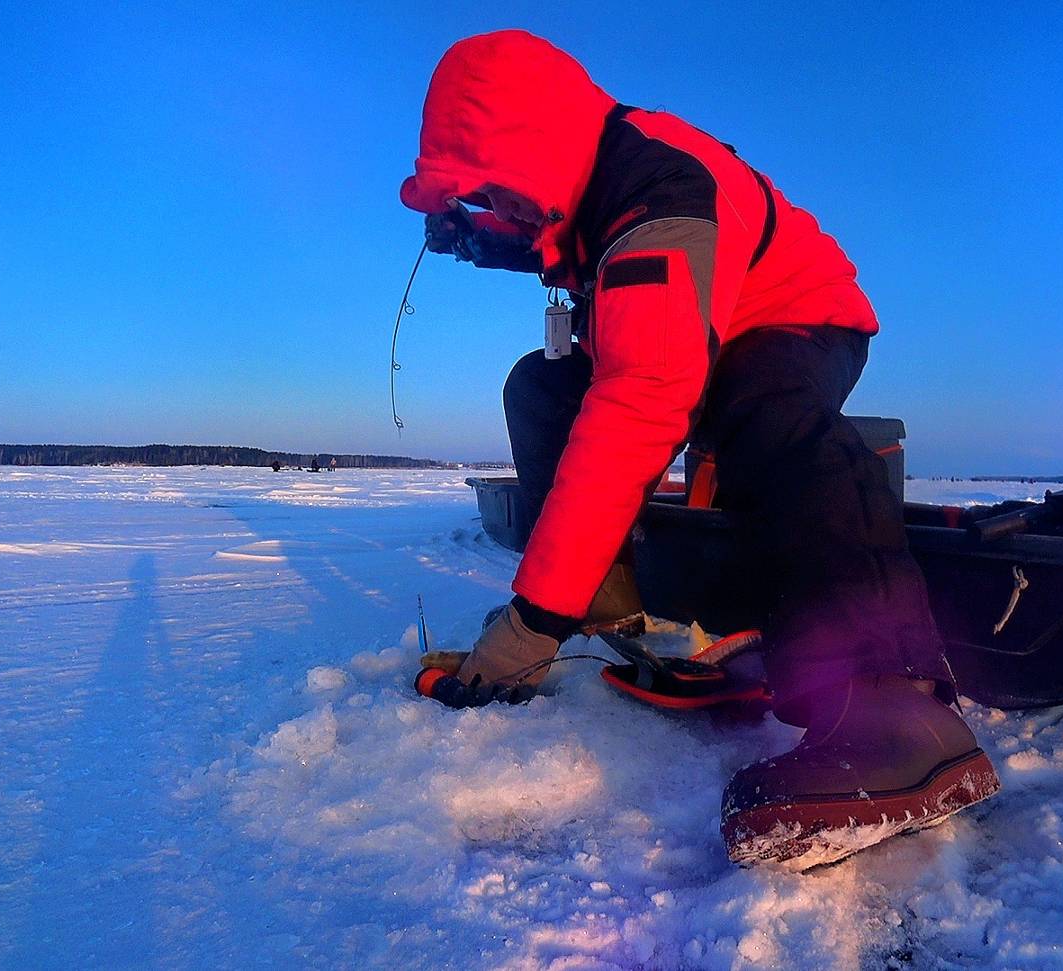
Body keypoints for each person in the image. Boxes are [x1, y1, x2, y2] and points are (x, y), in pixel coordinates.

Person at [400, 30, 998, 865]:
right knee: (540, 386)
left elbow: (638, 403)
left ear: (533, 145)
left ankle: (894, 704)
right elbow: (565, 228)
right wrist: (489, 241)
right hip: (701, 316)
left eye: (499, 190)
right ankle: (606, 595)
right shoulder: (593, 166)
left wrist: (530, 624)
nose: (501, 205)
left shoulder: (658, 192)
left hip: (794, 318)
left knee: (763, 410)